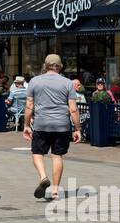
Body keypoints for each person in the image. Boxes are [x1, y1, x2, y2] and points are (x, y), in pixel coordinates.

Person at [24, 54, 81, 201]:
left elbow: (29, 105)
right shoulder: (68, 83)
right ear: (60, 66)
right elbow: (73, 109)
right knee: (57, 156)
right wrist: (78, 129)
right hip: (61, 125)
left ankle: (43, 177)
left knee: (37, 153)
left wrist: (26, 125)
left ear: (45, 65)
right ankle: (55, 190)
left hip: (41, 124)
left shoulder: (34, 81)